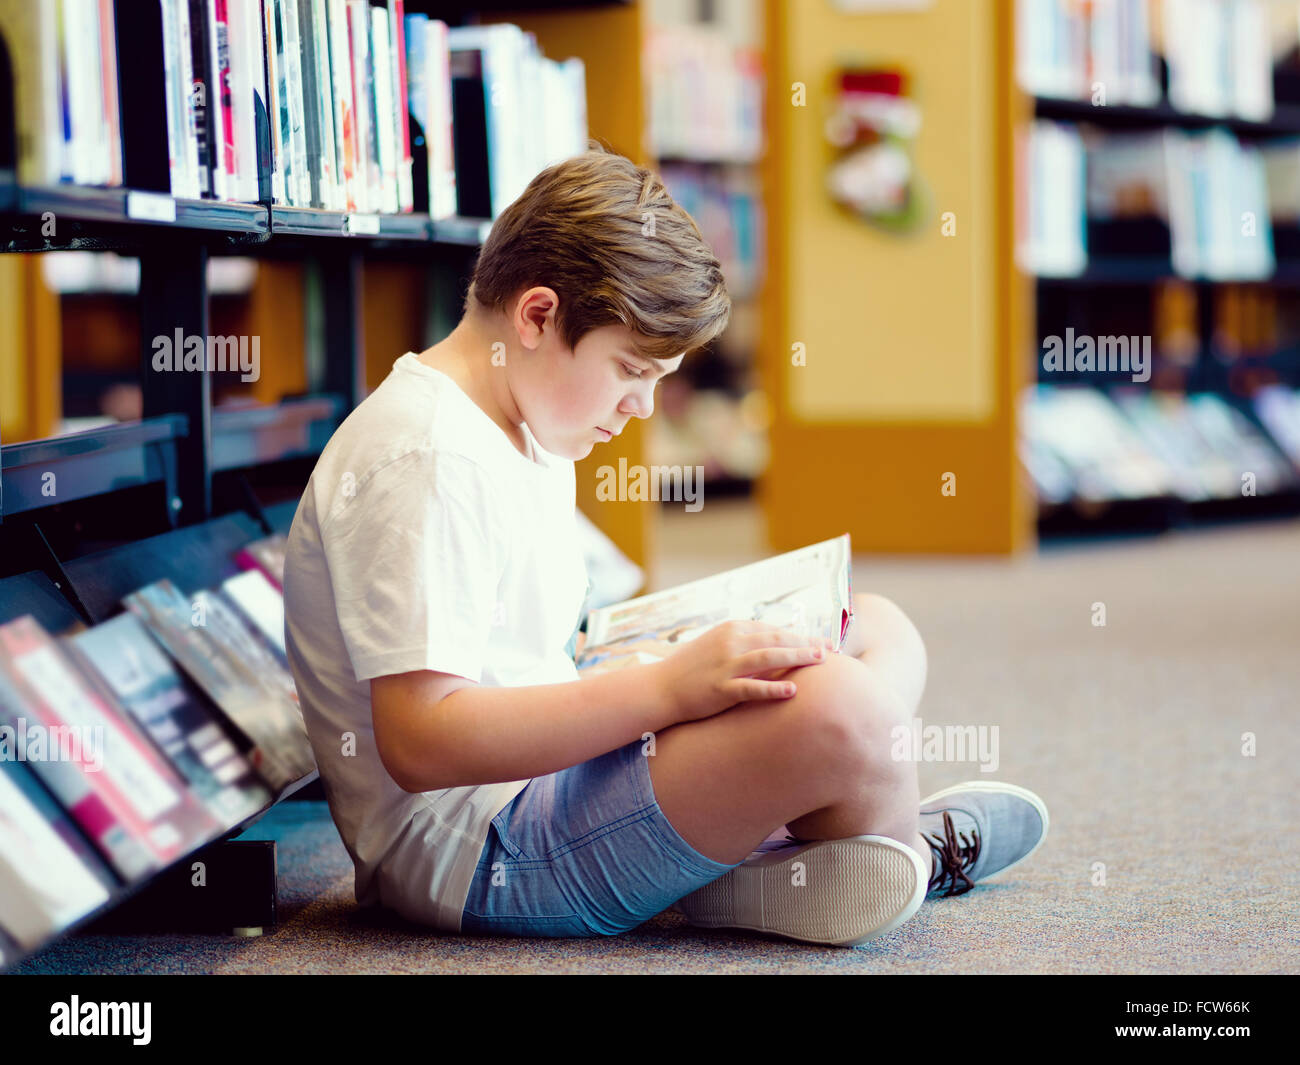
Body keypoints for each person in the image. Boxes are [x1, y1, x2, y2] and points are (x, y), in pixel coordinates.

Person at [282, 142, 1048, 948]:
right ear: (538, 316)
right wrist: (671, 688)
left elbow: (532, 652)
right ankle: (887, 848)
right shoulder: (427, 456)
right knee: (849, 713)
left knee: (876, 625)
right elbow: (422, 740)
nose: (642, 406)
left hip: (551, 777)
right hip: (487, 850)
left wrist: (682, 653)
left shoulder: (525, 420)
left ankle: (772, 851)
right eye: (630, 369)